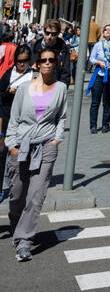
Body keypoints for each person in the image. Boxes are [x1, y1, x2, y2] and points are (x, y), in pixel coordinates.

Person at [5, 44, 69, 260]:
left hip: (45, 147)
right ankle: (15, 221)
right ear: (37, 64)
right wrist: (12, 146)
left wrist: (56, 140)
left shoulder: (61, 88)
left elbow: (61, 117)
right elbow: (13, 119)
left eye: (52, 60)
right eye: (44, 60)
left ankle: (24, 241)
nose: (48, 64)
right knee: (18, 194)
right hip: (21, 146)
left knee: (36, 195)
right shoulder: (24, 88)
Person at [0, 45, 34, 203]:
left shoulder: (33, 76)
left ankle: (19, 189)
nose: (22, 64)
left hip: (25, 122)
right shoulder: (8, 74)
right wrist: (9, 92)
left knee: (22, 156)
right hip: (7, 119)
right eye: (19, 61)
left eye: (25, 61)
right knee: (2, 154)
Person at [86, 23, 110, 133]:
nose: (108, 31)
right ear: (103, 33)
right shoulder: (98, 45)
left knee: (107, 101)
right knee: (95, 102)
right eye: (106, 30)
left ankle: (105, 125)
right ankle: (93, 125)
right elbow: (92, 58)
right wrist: (98, 62)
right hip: (99, 74)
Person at [32, 20, 72, 86]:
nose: (49, 37)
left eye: (53, 34)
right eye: (47, 33)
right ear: (43, 31)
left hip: (54, 87)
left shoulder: (63, 48)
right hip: (36, 87)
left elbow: (65, 72)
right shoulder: (35, 47)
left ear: (58, 34)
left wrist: (62, 89)